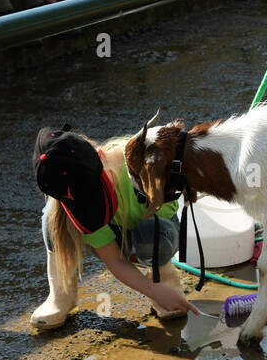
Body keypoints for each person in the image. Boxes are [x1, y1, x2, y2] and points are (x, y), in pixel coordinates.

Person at [32, 125, 201, 328]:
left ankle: (164, 277)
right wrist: (151, 290)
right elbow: (115, 261)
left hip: (148, 232)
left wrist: (158, 288)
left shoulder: (143, 166)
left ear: (101, 155)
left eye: (96, 192)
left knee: (153, 233)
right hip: (116, 239)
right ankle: (61, 294)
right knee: (53, 217)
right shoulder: (81, 207)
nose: (94, 205)